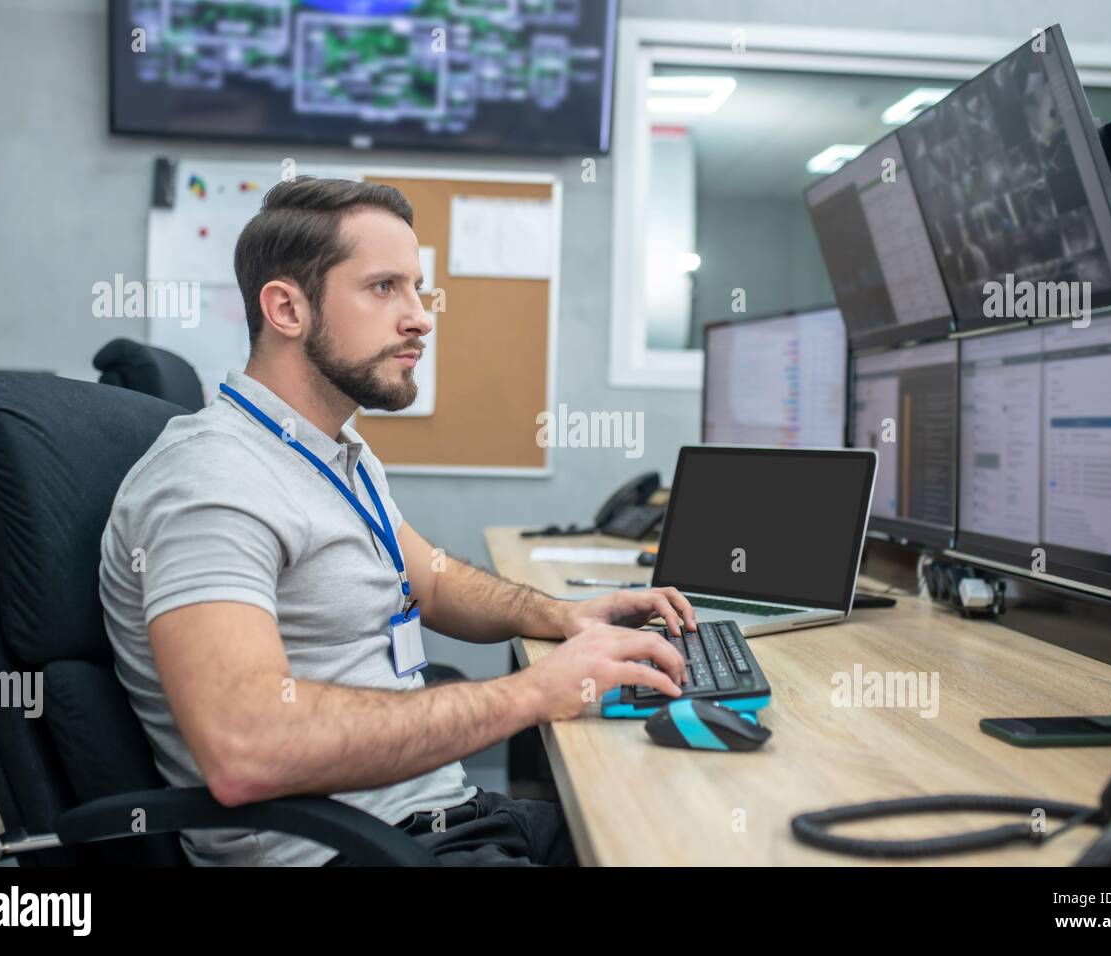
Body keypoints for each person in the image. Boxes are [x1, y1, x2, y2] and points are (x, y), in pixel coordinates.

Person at [99, 177, 692, 866]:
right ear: (287, 308)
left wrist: (563, 616)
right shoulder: (212, 479)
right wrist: (535, 691)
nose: (421, 318)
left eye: (417, 287)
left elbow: (432, 584)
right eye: (384, 288)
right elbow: (244, 749)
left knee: (676, 834)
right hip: (347, 853)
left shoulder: (334, 451)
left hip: (436, 818)